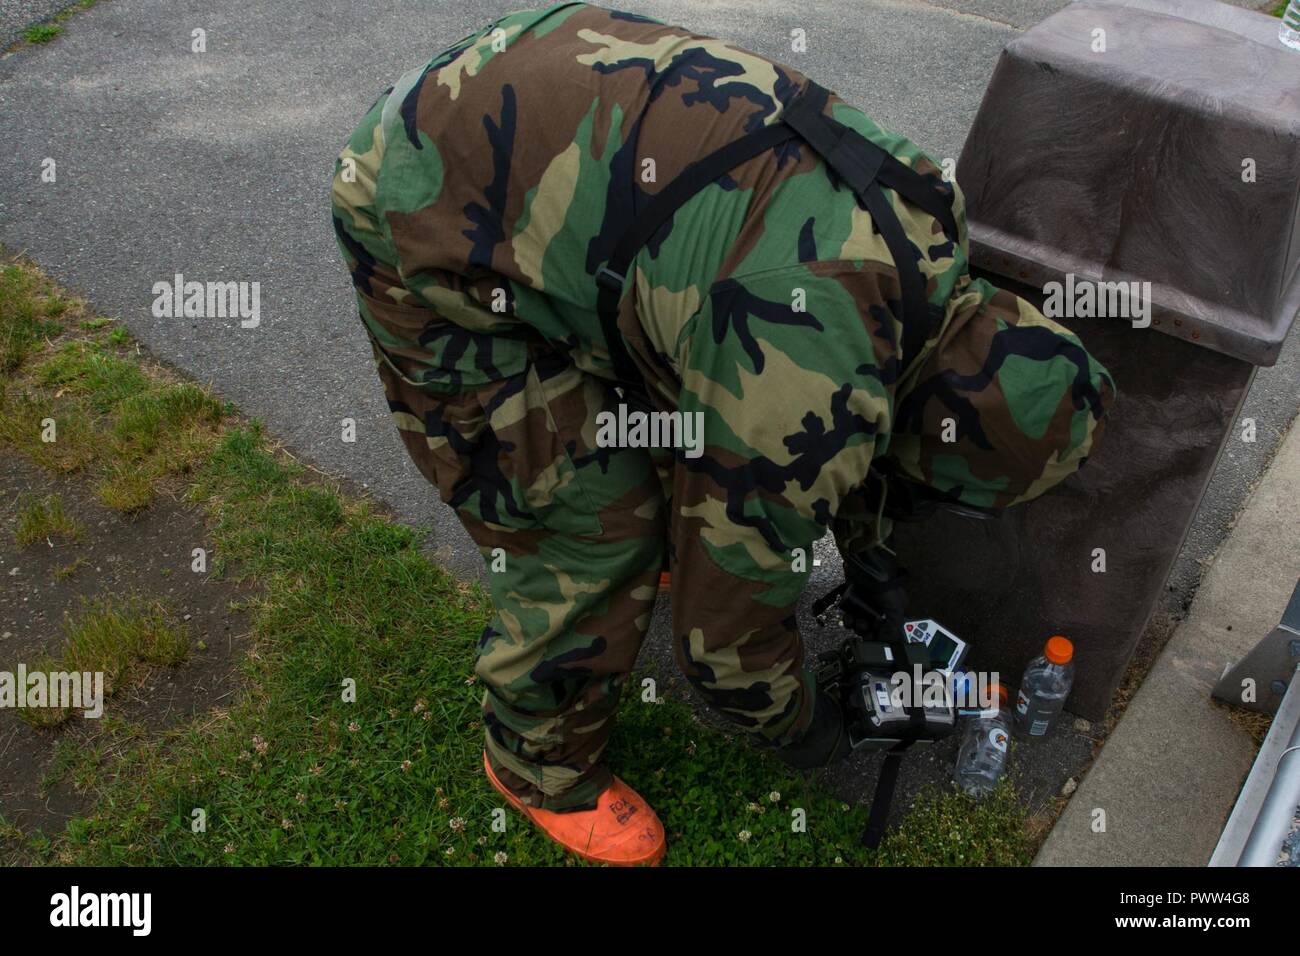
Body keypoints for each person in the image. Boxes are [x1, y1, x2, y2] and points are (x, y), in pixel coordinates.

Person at [330, 1, 1114, 866]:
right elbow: (724, 652)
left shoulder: (934, 233)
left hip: (534, 78)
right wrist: (815, 731)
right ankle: (535, 760)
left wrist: (862, 539)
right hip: (421, 203)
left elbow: (807, 401)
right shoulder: (806, 382)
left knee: (680, 433)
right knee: (592, 528)